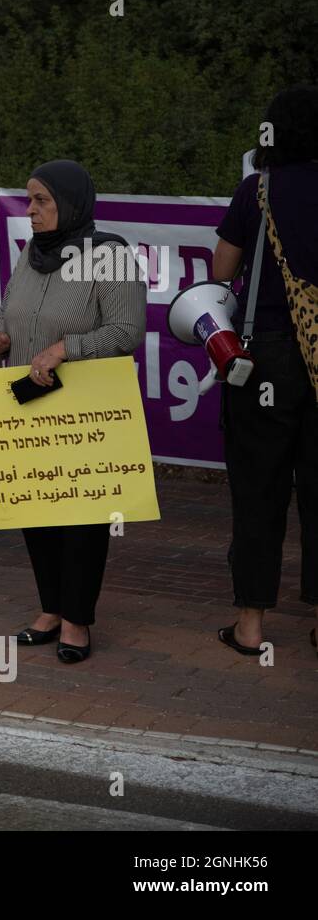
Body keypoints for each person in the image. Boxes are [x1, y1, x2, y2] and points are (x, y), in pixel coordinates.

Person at [0, 160, 145, 664]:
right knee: (36, 507)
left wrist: (67, 348)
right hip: (28, 399)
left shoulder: (108, 255)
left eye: (42, 201)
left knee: (81, 516)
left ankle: (77, 619)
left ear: (69, 204)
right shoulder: (31, 253)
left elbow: (127, 330)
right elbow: (10, 313)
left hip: (84, 410)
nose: (32, 211)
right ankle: (50, 607)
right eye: (28, 200)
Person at [211, 84, 318, 659]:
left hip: (269, 356)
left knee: (259, 490)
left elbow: (221, 267)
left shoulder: (259, 189)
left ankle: (251, 625)